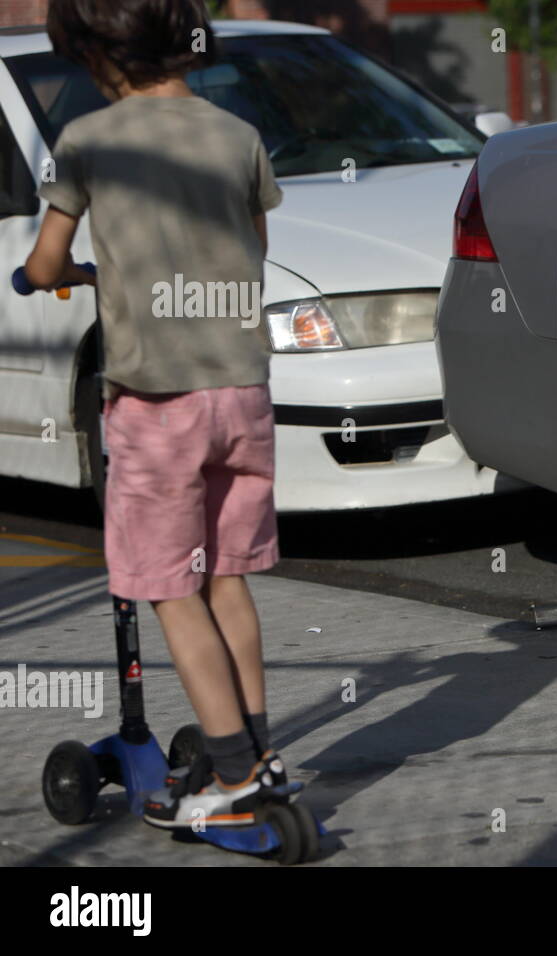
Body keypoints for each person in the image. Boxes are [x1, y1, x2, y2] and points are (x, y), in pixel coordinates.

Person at [26, 0, 288, 827]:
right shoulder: (236, 134)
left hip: (157, 404)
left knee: (170, 590)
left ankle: (234, 776)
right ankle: (263, 751)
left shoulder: (89, 141)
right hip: (242, 393)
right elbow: (255, 245)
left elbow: (41, 261)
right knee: (226, 580)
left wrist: (61, 273)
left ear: (97, 58)